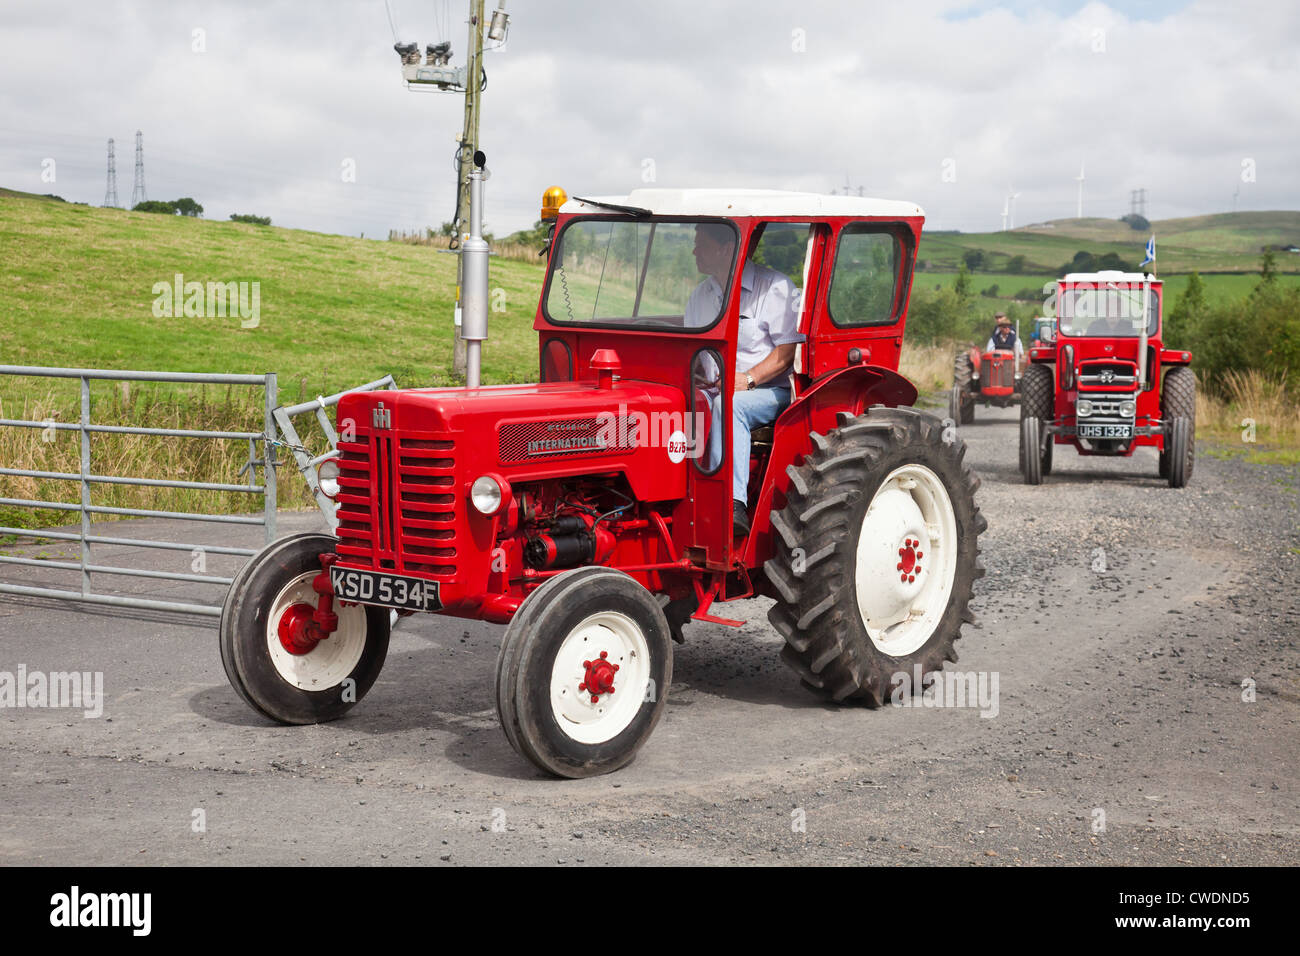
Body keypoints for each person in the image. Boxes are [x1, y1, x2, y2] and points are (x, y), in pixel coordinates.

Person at [684, 223, 804, 538]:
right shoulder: (701, 295)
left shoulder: (774, 288)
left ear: (727, 249)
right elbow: (693, 350)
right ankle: (682, 495)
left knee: (729, 405)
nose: (694, 250)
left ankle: (732, 505)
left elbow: (787, 351)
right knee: (681, 408)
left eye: (701, 243)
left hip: (769, 391)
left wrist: (748, 379)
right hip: (713, 389)